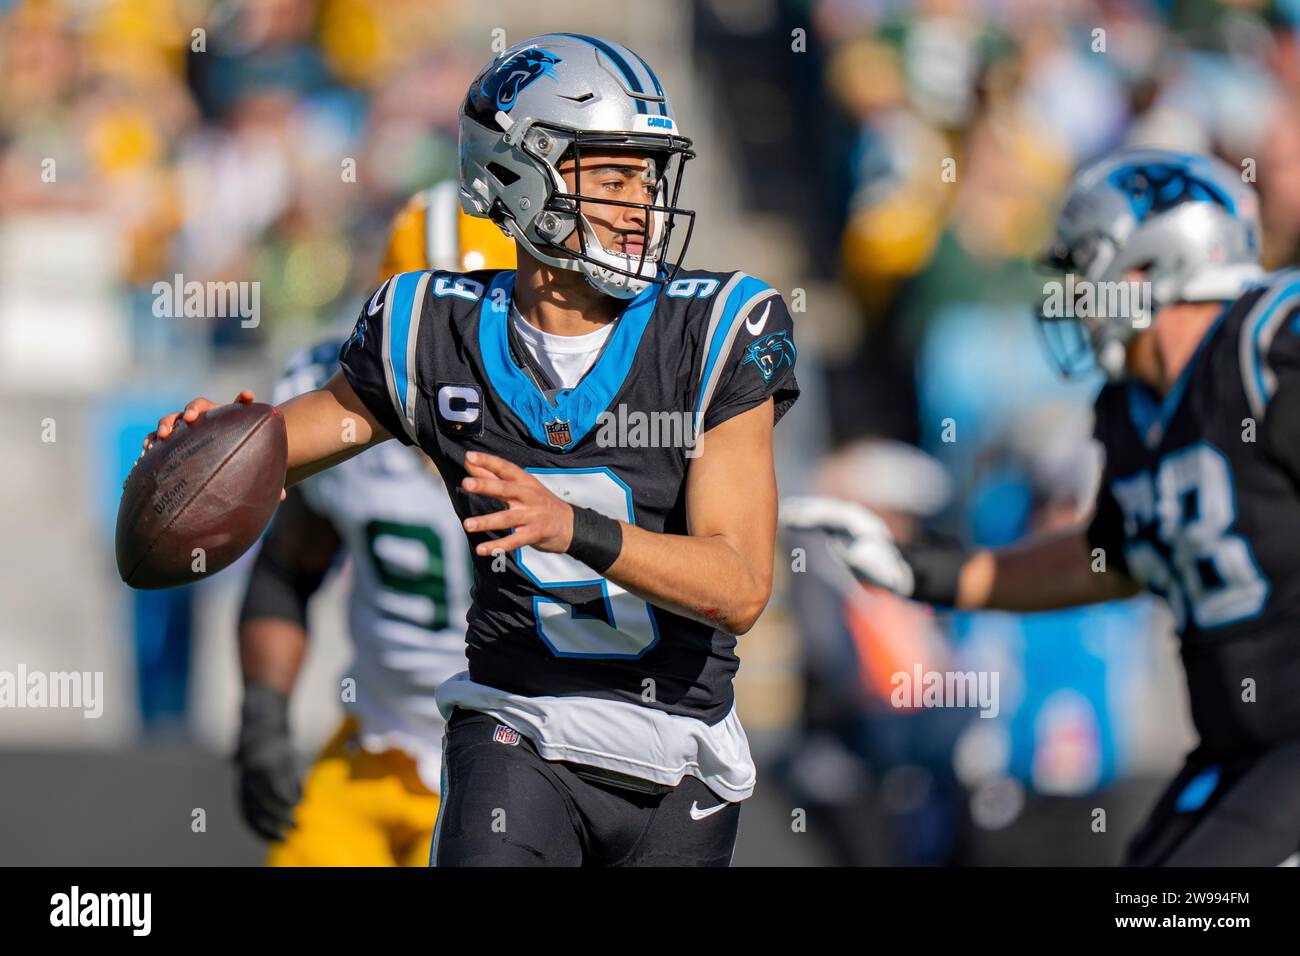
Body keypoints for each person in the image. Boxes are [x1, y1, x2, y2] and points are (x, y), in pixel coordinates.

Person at [146, 34, 799, 867]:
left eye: (646, 175)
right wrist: (215, 446)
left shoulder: (713, 329)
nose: (641, 203)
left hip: (680, 747)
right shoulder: (432, 328)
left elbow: (740, 587)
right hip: (516, 719)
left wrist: (574, 529)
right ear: (520, 178)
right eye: (611, 177)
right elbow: (297, 443)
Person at [784, 148, 1300, 866]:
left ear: (1154, 266)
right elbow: (1107, 559)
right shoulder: (1134, 411)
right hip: (1238, 750)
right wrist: (924, 573)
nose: (1078, 295)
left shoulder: (1268, 348)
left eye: (1090, 267)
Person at [233, 181, 514, 865]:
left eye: (476, 322)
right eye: (433, 322)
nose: (454, 353)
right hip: (377, 742)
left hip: (513, 762)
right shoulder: (343, 412)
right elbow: (289, 566)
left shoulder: (568, 425)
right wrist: (264, 712)